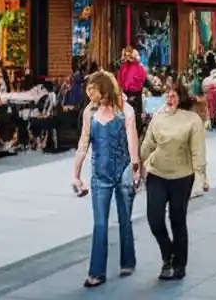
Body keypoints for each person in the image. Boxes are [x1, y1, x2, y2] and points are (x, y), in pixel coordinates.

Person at [72, 71, 141, 288]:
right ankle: (96, 272)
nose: (88, 92)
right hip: (99, 174)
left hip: (122, 171)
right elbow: (83, 143)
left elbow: (132, 139)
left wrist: (136, 167)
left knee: (124, 218)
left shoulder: (125, 110)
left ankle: (128, 259)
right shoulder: (89, 113)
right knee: (100, 223)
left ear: (103, 88)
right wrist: (75, 174)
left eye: (92, 88)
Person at [140, 82, 208, 281]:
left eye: (173, 95)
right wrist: (137, 165)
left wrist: (200, 176)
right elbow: (148, 145)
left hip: (182, 176)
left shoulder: (192, 120)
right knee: (155, 219)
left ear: (181, 97)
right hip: (157, 173)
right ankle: (167, 252)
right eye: (166, 94)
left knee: (177, 220)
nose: (169, 98)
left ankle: (179, 264)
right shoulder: (157, 118)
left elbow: (198, 151)